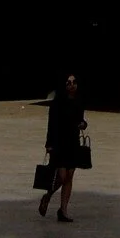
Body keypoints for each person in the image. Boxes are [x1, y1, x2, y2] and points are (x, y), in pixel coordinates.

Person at [38, 73, 87, 222]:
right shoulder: (58, 103)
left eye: (74, 82)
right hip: (59, 143)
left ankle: (63, 210)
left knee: (70, 176)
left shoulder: (79, 101)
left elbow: (81, 119)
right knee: (61, 176)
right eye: (68, 83)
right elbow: (51, 124)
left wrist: (83, 124)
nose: (72, 85)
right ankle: (47, 196)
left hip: (73, 142)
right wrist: (49, 144)